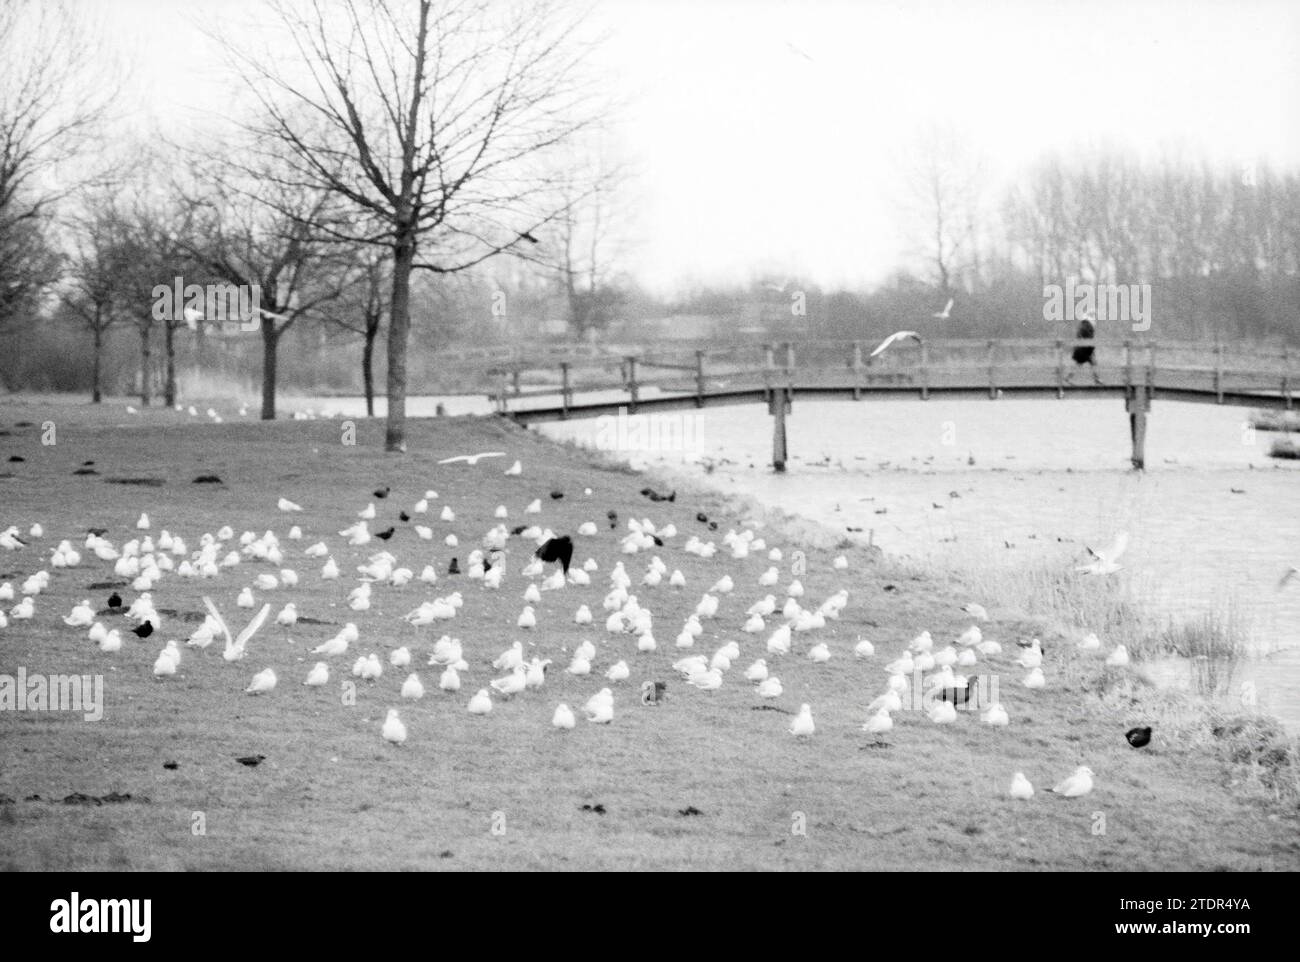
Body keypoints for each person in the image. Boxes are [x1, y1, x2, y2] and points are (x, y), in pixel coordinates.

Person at [1068, 311, 1100, 384]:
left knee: (1088, 363)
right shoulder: (1087, 325)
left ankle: (1097, 379)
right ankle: (1097, 379)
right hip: (1085, 349)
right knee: (1091, 363)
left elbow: (1084, 336)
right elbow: (1088, 337)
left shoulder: (1084, 325)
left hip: (1085, 349)